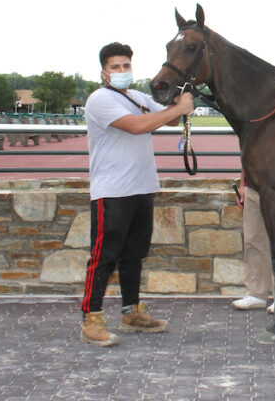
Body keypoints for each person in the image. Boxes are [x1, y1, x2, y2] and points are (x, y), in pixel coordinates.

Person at [80, 41, 194, 347]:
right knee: (104, 256)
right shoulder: (100, 100)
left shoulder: (136, 96)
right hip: (113, 191)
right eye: (115, 67)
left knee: (134, 254)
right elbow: (136, 126)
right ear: (104, 72)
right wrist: (180, 108)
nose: (121, 71)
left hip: (142, 187)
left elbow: (169, 117)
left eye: (126, 66)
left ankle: (131, 311)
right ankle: (91, 318)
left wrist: (182, 96)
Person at [231, 175, 275, 311]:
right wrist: (243, 185)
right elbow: (245, 155)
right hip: (252, 186)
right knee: (253, 240)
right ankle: (257, 294)